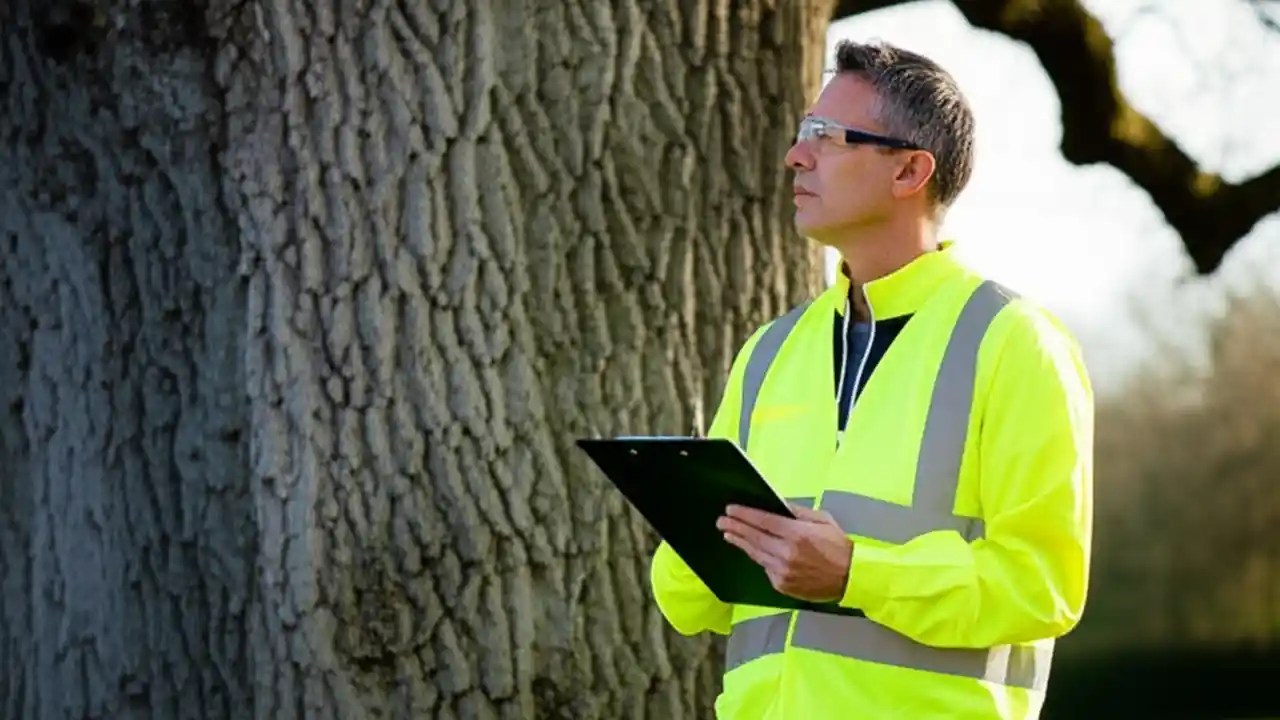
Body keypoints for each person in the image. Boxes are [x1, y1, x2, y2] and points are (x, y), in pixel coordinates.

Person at [648, 40, 1095, 719]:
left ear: (910, 171)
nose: (797, 156)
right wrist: (698, 527)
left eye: (825, 136)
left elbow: (1043, 588)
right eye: (803, 133)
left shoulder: (1015, 343)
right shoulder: (769, 351)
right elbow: (689, 603)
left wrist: (856, 573)